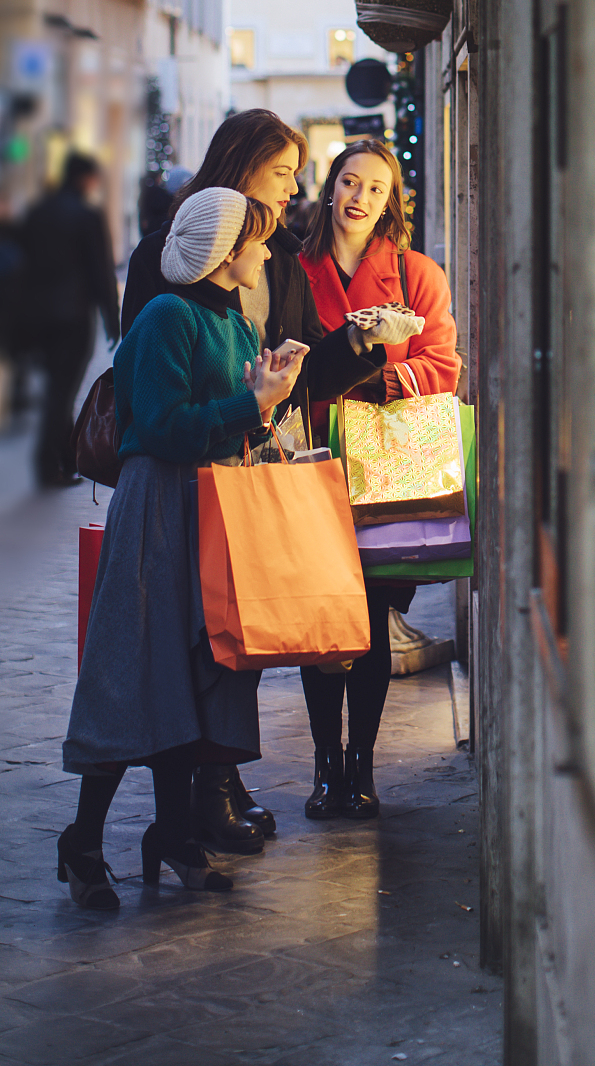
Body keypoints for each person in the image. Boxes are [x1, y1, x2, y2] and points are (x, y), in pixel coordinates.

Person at [120, 109, 406, 852]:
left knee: (236, 630)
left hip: (252, 471)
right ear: (241, 166)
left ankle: (219, 786)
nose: (291, 189)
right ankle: (186, 800)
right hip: (184, 478)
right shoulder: (163, 255)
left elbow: (301, 370)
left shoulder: (278, 255)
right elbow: (147, 376)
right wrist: (242, 402)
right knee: (186, 638)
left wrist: (359, 344)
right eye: (281, 173)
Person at [57, 190, 306, 912]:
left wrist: (268, 395)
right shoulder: (167, 315)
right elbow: (162, 427)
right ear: (225, 253)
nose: (267, 251)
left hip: (211, 508)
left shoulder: (234, 320)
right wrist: (252, 403)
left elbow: (227, 424)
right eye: (258, 240)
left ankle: (171, 834)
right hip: (159, 507)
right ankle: (83, 842)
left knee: (197, 671)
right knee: (133, 669)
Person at [299, 139, 460, 820]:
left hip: (385, 470)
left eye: (374, 186)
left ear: (391, 200)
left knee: (367, 620)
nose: (358, 196)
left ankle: (360, 764)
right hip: (307, 463)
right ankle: (323, 764)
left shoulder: (416, 274)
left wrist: (377, 380)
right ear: (330, 186)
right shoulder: (292, 268)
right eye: (348, 181)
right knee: (316, 618)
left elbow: (444, 365)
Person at [18, 152, 120, 487]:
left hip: (39, 316)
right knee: (62, 392)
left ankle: (64, 459)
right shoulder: (87, 216)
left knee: (56, 388)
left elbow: (24, 265)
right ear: (84, 178)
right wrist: (111, 318)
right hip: (73, 316)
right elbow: (101, 270)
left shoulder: (38, 212)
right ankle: (50, 465)